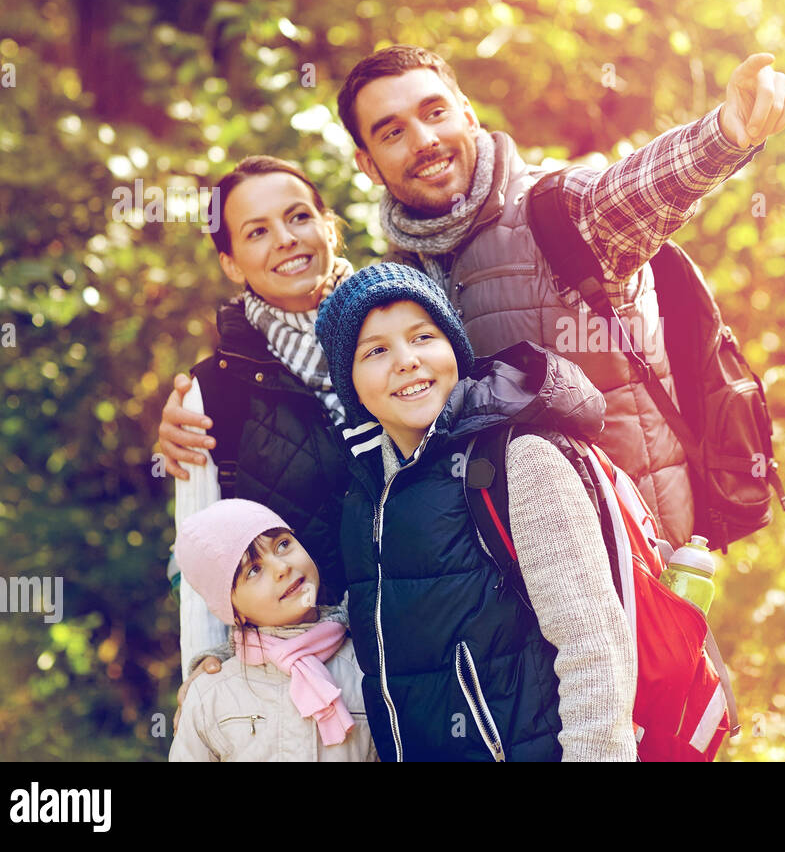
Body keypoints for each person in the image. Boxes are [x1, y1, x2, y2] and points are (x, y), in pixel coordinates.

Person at [160, 47, 785, 550]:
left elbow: (638, 186)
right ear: (367, 164)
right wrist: (192, 406)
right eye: (392, 132)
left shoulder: (559, 212)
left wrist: (726, 133)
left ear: (468, 114)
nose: (424, 140)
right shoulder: (401, 278)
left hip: (640, 564)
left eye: (435, 112)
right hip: (504, 588)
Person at [314, 261, 637, 761]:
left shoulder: (516, 460)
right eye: (376, 350)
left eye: (423, 337)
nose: (406, 360)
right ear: (350, 385)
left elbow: (594, 647)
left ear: (454, 348)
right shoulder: (364, 497)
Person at [170, 156, 356, 675]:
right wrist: (203, 667)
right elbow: (199, 549)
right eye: (257, 232)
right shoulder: (209, 394)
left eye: (298, 217)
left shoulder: (405, 332)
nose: (285, 238)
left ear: (329, 227)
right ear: (231, 263)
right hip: (305, 677)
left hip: (437, 642)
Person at [169, 498, 375, 762]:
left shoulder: (369, 666)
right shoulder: (211, 694)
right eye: (253, 570)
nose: (282, 567)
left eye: (283, 544)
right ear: (233, 612)